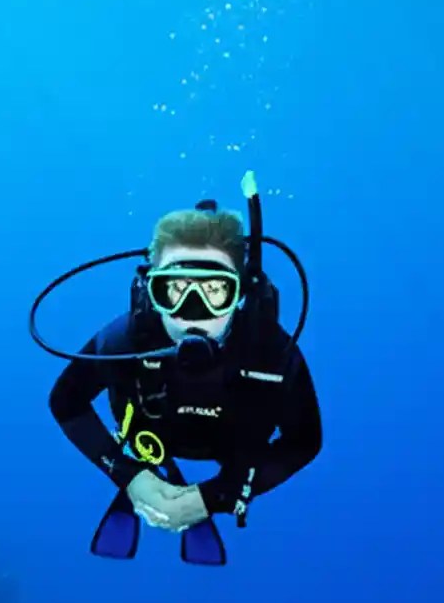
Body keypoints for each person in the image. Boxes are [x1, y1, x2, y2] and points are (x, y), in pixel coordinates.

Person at [31, 171, 323, 565]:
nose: (193, 312)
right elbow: (66, 402)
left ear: (241, 295)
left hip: (230, 458)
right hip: (149, 446)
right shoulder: (125, 342)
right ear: (151, 290)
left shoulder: (270, 352)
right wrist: (130, 476)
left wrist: (214, 496)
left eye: (215, 290)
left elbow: (304, 442)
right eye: (176, 288)